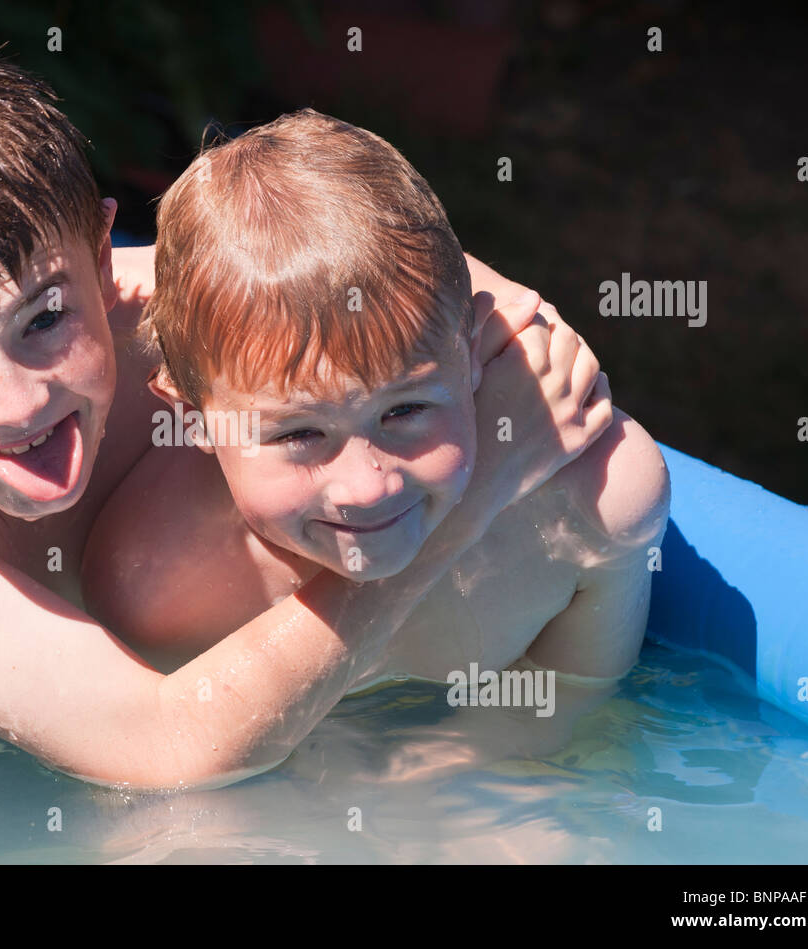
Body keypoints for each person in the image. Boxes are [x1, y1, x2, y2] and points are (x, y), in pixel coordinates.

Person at [0, 46, 612, 802]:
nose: (17, 402)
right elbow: (166, 751)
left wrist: (525, 324)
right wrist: (468, 503)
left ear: (105, 260)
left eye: (46, 318)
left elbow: (396, 277)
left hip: (57, 733)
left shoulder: (173, 314)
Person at [84, 110, 669, 736]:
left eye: (407, 410)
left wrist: (439, 787)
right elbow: (179, 763)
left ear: (473, 354)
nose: (367, 486)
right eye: (299, 434)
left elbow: (569, 709)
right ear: (193, 419)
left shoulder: (598, 507)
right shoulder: (161, 589)